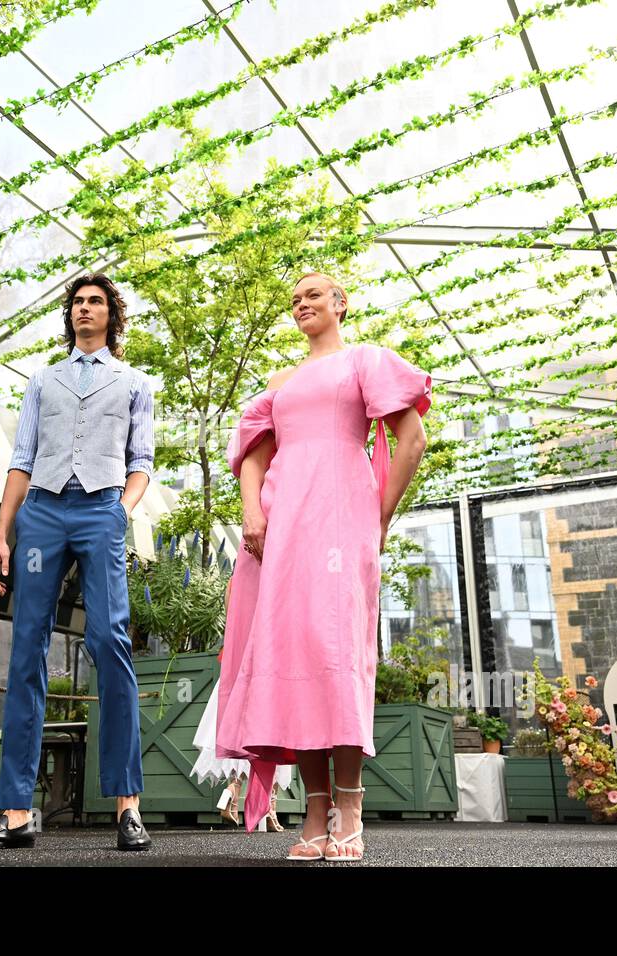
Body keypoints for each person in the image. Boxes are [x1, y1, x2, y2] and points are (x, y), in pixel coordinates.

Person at [215, 272, 431, 861]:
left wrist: (377, 517)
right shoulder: (278, 381)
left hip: (341, 518)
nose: (302, 304)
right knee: (291, 656)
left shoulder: (365, 361)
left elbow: (411, 439)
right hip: (281, 526)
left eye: (313, 295)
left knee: (337, 653)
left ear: (340, 303)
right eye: (294, 300)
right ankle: (314, 812)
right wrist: (252, 516)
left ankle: (350, 807)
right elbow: (253, 457)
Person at [0, 273, 155, 852]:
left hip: (101, 512)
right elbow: (21, 459)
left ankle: (127, 806)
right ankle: (15, 814)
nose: (83, 309)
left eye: (94, 302)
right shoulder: (42, 381)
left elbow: (141, 461)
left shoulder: (135, 383)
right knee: (26, 647)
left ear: (111, 316)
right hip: (42, 513)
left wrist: (122, 510)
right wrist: (2, 536)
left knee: (110, 640)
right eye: (76, 303)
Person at [191, 578, 292, 830]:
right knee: (276, 736)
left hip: (239, 664)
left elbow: (232, 623)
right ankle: (270, 810)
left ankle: (232, 794)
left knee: (239, 735)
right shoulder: (281, 573)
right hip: (271, 662)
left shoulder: (236, 582)